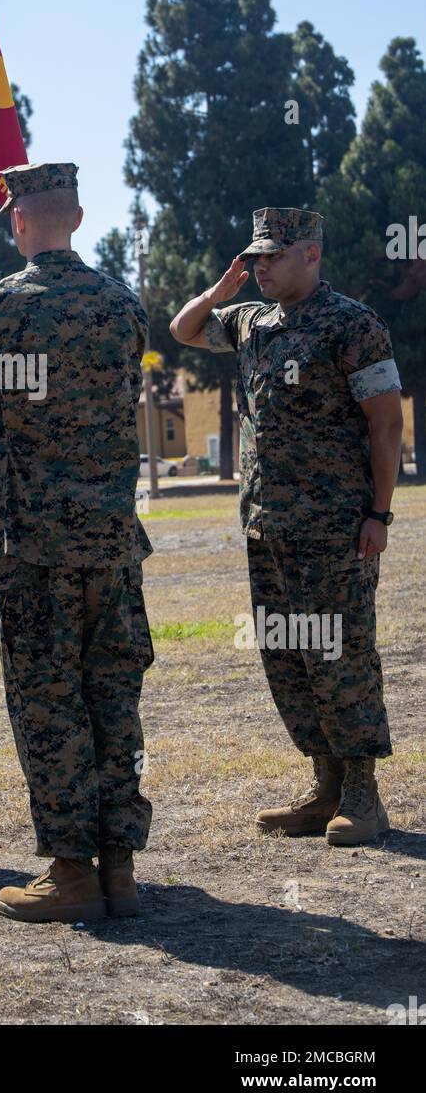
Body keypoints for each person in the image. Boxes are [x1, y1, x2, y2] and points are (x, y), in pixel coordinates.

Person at [0, 163, 155, 923]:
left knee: (51, 704)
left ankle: (71, 870)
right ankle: (120, 868)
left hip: (36, 544)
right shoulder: (123, 304)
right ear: (80, 217)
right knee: (114, 701)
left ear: (18, 222)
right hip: (114, 542)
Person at [170, 207, 404, 846]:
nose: (261, 267)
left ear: (312, 253)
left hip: (336, 529)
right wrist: (218, 294)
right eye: (255, 257)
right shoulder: (250, 322)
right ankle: (324, 787)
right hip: (266, 528)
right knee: (289, 657)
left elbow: (386, 425)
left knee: (340, 652)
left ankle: (364, 795)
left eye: (274, 255)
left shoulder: (352, 324)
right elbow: (183, 329)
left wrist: (379, 514)